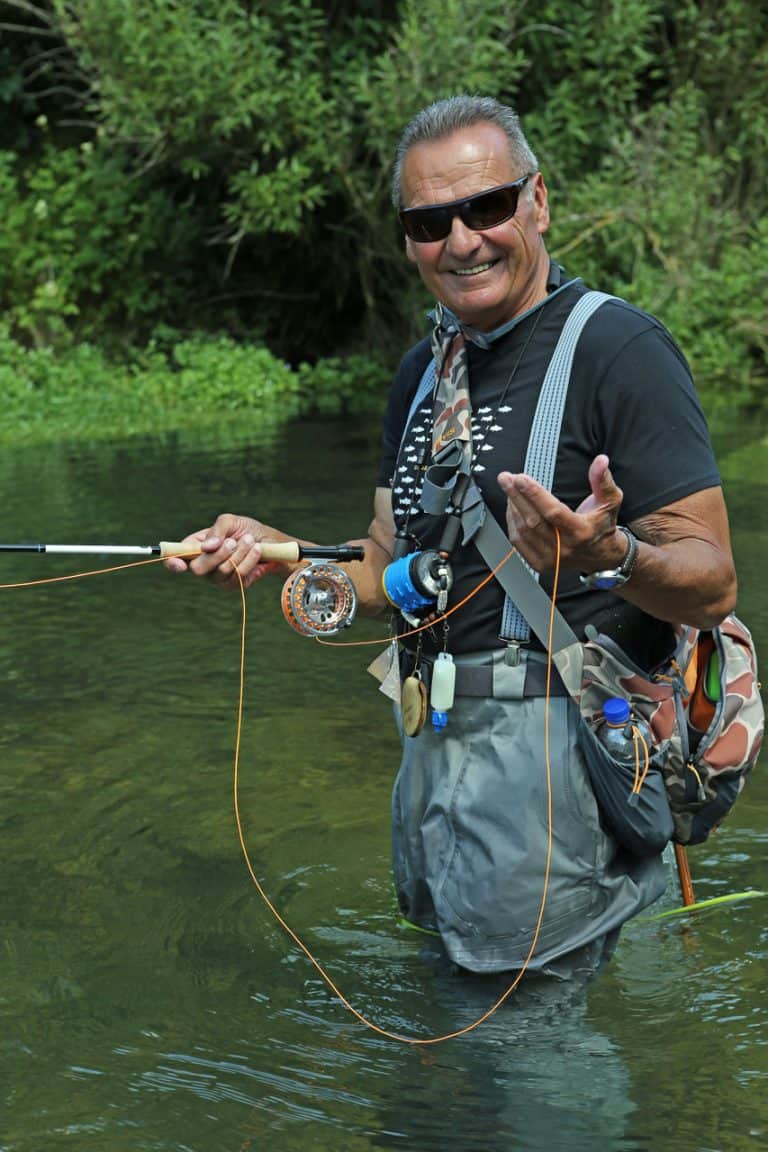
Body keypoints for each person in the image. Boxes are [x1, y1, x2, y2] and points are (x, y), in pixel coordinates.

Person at [166, 96, 736, 979]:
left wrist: (607, 555)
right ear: (407, 239)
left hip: (560, 772)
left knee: (530, 1063)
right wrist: (281, 556)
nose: (461, 240)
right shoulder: (420, 374)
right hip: (430, 755)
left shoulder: (620, 351)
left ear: (537, 200)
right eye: (430, 221)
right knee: (452, 1036)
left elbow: (712, 582)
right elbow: (387, 567)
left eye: (487, 207)